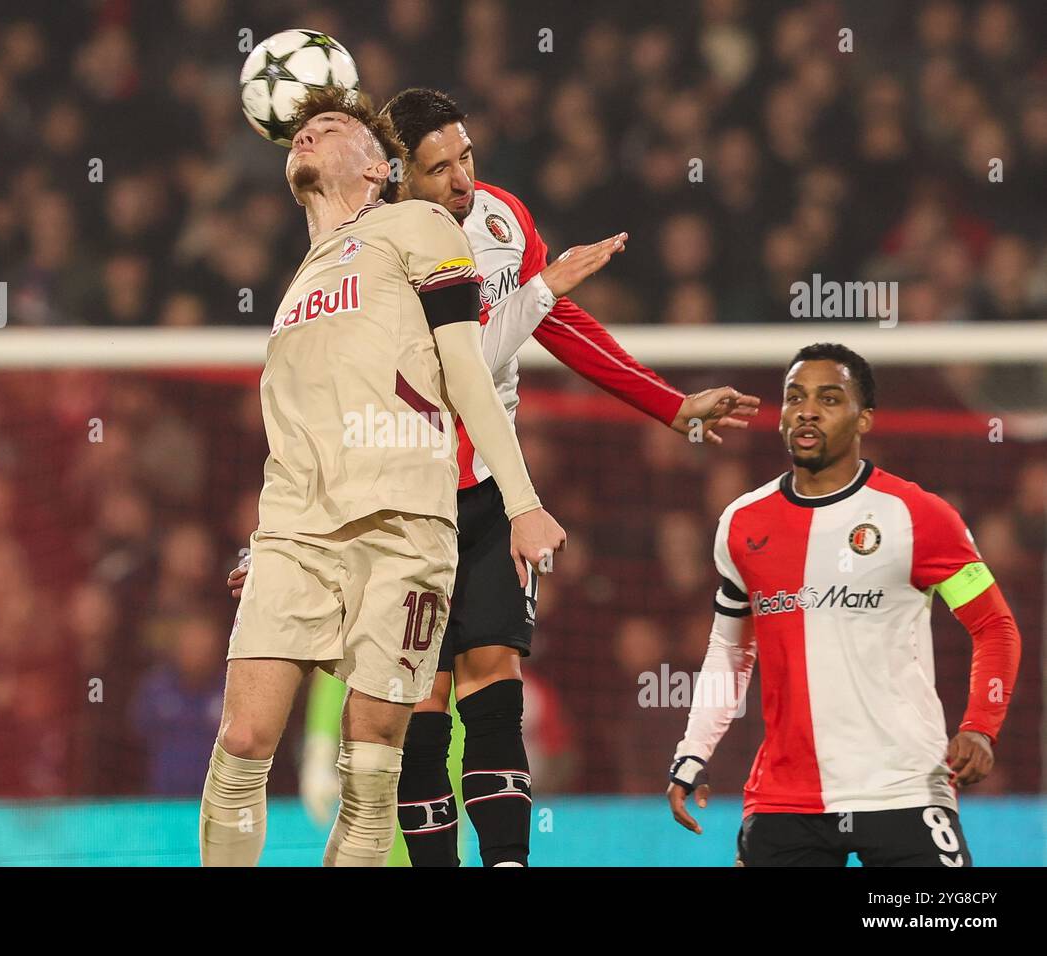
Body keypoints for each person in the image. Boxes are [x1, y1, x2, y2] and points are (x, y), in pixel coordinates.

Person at [234, 87, 760, 867]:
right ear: (396, 176)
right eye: (439, 168)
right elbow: (446, 372)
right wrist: (546, 289)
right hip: (402, 508)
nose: (463, 181)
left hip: (486, 494)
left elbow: (559, 326)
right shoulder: (374, 247)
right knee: (419, 707)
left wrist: (670, 404)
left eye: (467, 157)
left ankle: (510, 862)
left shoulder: (502, 218)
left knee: (494, 685)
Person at [198, 86, 566, 867]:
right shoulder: (299, 280)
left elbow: (466, 372)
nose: (307, 134)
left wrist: (523, 503)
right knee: (243, 737)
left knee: (370, 764)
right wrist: (267, 540)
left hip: (405, 529)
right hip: (296, 530)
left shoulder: (419, 225)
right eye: (302, 129)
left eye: (330, 126)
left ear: (376, 167)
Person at [667, 343, 1022, 866]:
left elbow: (994, 625)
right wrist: (693, 752)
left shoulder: (919, 516)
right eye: (795, 397)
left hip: (904, 786)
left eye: (829, 399)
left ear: (864, 418)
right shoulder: (742, 522)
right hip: (786, 799)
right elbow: (730, 650)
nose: (807, 411)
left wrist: (980, 726)